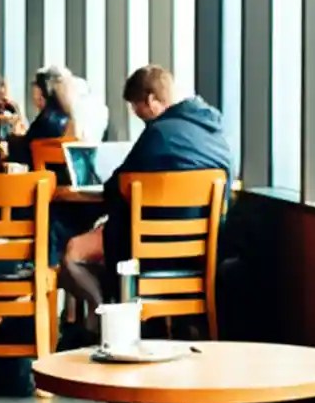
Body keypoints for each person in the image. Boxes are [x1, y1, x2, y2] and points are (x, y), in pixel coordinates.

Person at [58, 65, 235, 312]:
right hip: (205, 253)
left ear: (151, 100)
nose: (137, 115)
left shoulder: (158, 134)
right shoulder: (217, 135)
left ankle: (105, 321)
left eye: (136, 108)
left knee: (72, 254)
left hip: (149, 252)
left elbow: (116, 188)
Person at [6, 65, 72, 167]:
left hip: (39, 179)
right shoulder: (67, 119)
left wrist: (6, 142)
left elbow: (24, 151)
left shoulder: (45, 121)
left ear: (39, 91)